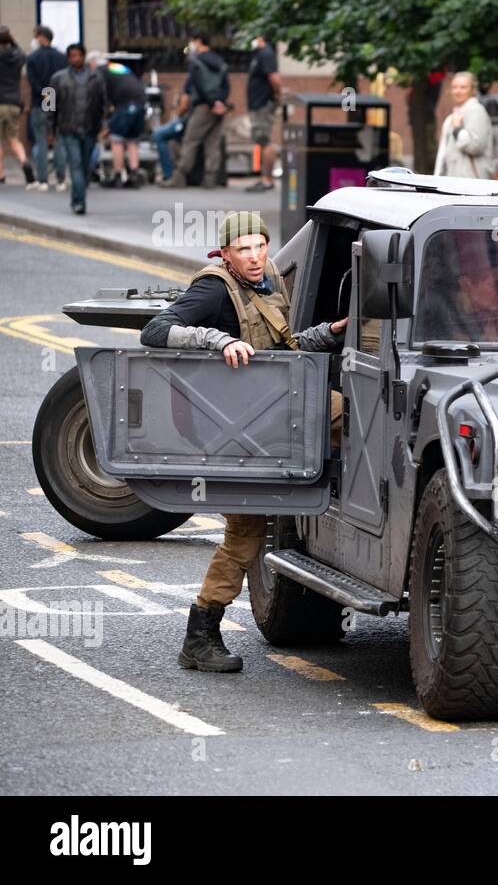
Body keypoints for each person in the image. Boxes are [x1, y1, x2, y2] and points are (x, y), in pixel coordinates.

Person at [139, 211, 346, 672]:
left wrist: (330, 333)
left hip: (276, 409)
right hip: (240, 426)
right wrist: (218, 341)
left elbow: (284, 352)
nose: (254, 257)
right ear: (226, 253)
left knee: (350, 418)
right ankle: (201, 635)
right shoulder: (214, 287)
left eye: (260, 245)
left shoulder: (269, 279)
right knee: (245, 535)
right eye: (244, 249)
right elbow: (153, 331)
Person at [48, 43, 107, 215]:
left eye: (78, 55)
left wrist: (103, 125)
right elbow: (48, 105)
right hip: (68, 129)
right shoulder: (57, 78)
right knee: (75, 164)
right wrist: (49, 130)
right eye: (72, 56)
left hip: (90, 129)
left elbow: (104, 103)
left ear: (83, 56)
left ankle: (76, 198)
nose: (75, 59)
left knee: (85, 166)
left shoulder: (96, 77)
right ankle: (80, 202)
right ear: (68, 58)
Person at [163, 32, 228, 188]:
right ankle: (210, 179)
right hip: (219, 107)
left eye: (191, 41)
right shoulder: (219, 61)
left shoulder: (196, 61)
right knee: (212, 143)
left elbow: (199, 85)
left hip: (203, 106)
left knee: (190, 141)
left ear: (198, 41)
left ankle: (179, 177)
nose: (190, 45)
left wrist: (212, 103)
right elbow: (226, 84)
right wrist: (221, 103)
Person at [87, 53, 147, 187]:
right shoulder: (117, 66)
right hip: (140, 101)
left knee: (116, 139)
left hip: (125, 103)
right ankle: (134, 172)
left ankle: (118, 174)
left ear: (92, 63)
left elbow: (99, 96)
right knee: (133, 138)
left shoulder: (99, 71)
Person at [24, 25, 67, 191]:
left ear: (41, 37)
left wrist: (45, 94)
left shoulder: (33, 58)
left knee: (41, 140)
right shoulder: (61, 57)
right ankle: (61, 179)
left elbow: (33, 82)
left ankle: (42, 180)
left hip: (40, 102)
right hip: (58, 103)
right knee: (58, 141)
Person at [432, 71, 497, 179]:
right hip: (455, 180)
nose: (458, 91)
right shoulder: (454, 114)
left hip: (470, 181)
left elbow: (475, 146)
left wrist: (458, 129)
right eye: (454, 87)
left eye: (463, 87)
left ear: (473, 90)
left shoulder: (476, 110)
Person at [244, 35, 281, 192]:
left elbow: (274, 77)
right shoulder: (259, 54)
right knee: (261, 140)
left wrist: (278, 96)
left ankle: (267, 180)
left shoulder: (266, 53)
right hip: (258, 104)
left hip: (263, 104)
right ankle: (264, 178)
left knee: (265, 141)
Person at [0, 26, 35, 186]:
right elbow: (21, 53)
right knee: (14, 138)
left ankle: (1, 173)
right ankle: (23, 161)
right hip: (14, 102)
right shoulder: (18, 57)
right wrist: (12, 40)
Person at [151, 81, 189, 183]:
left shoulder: (196, 69)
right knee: (167, 137)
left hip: (187, 119)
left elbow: (184, 103)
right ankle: (171, 172)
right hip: (191, 119)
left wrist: (180, 114)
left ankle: (168, 174)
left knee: (159, 135)